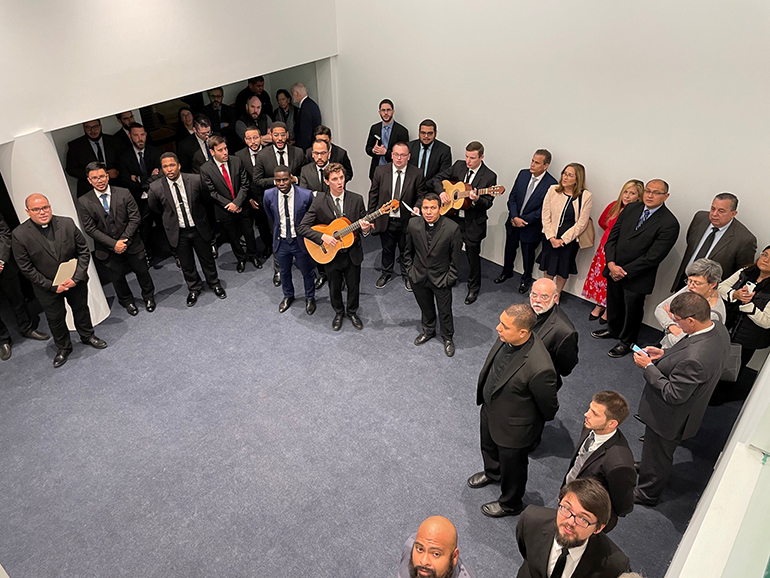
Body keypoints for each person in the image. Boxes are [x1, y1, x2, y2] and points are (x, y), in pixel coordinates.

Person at [632, 292, 730, 506]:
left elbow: (673, 393)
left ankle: (647, 493)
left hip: (670, 417)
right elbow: (686, 351)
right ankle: (648, 465)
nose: (675, 325)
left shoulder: (696, 359)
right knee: (654, 451)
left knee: (659, 453)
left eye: (677, 321)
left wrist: (648, 367)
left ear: (691, 321)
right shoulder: (716, 328)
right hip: (689, 409)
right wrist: (664, 353)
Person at [468, 304, 558, 517]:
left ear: (523, 332)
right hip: (491, 409)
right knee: (488, 446)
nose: (498, 328)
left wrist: (531, 427)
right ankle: (493, 472)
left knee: (514, 467)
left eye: (504, 326)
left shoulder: (540, 367)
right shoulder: (506, 337)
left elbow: (548, 405)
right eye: (500, 322)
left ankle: (511, 503)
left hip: (514, 426)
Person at [11, 194, 108, 368]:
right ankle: (63, 348)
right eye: (36, 209)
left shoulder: (67, 223)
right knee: (55, 318)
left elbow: (84, 252)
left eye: (45, 207)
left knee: (81, 310)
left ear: (50, 206)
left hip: (74, 282)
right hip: (47, 288)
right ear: (28, 211)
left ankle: (87, 336)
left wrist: (76, 277)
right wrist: (51, 285)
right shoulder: (19, 235)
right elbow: (26, 268)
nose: (42, 212)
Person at [592, 179, 680, 358]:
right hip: (614, 267)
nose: (650, 195)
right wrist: (611, 264)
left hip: (637, 276)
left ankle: (626, 341)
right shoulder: (632, 208)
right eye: (648, 191)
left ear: (666, 196)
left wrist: (622, 271)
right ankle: (613, 330)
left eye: (656, 192)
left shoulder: (669, 223)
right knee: (614, 303)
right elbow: (613, 237)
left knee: (632, 310)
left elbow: (654, 256)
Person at [297, 162, 372, 331]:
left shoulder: (357, 199)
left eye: (342, 178)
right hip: (331, 254)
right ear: (326, 181)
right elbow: (302, 228)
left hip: (352, 252)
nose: (340, 182)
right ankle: (338, 312)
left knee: (354, 285)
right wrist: (323, 236)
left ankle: (352, 311)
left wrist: (365, 229)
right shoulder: (319, 202)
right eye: (335, 179)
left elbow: (363, 226)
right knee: (334, 286)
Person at [148, 153, 227, 307]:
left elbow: (205, 200)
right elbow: (155, 209)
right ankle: (194, 288)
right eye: (165, 166)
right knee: (186, 264)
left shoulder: (195, 180)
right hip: (178, 232)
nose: (169, 169)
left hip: (198, 227)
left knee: (207, 259)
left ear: (178, 166)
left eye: (172, 165)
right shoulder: (156, 187)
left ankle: (214, 283)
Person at [77, 162, 156, 316]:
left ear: (107, 176)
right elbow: (90, 228)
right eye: (95, 178)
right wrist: (114, 244)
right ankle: (127, 301)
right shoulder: (84, 201)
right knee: (117, 277)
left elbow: (135, 218)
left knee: (142, 271)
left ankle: (148, 297)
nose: (99, 180)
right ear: (89, 180)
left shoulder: (124, 192)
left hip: (131, 243)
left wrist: (123, 240)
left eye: (101, 176)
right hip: (107, 249)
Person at [515, 478, 631, 578]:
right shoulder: (531, 521)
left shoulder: (615, 564)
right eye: (566, 508)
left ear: (598, 528)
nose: (570, 522)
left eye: (583, 519)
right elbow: (525, 550)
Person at [433, 141, 498, 304]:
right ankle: (451, 278)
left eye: (473, 158)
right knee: (451, 251)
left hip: (473, 223)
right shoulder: (458, 166)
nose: (468, 161)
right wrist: (441, 193)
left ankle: (473, 288)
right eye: (467, 156)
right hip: (454, 219)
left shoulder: (489, 176)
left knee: (472, 257)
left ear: (481, 157)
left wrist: (476, 200)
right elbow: (438, 179)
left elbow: (488, 202)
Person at [563, 392, 636, 533]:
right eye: (589, 408)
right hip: (570, 495)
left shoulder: (619, 464)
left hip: (586, 518)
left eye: (595, 413)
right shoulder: (591, 426)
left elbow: (623, 505)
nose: (586, 414)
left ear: (612, 423)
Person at [404, 193, 462, 357]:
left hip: (441, 278)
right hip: (418, 276)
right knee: (426, 307)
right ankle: (428, 331)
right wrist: (410, 272)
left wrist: (450, 278)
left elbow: (456, 259)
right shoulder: (413, 224)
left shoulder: (452, 228)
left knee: (444, 311)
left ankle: (448, 338)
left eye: (433, 208)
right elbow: (407, 251)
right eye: (425, 208)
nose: (428, 212)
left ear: (440, 208)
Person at [497, 149, 559, 293]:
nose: (532, 164)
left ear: (546, 165)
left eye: (537, 163)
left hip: (531, 227)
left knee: (528, 256)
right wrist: (514, 217)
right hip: (513, 222)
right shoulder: (523, 174)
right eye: (532, 160)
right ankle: (506, 272)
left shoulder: (552, 184)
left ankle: (526, 280)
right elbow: (512, 197)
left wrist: (523, 220)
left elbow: (544, 209)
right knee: (509, 250)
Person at [582, 180, 643, 323]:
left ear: (638, 197)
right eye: (626, 192)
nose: (627, 196)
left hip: (619, 253)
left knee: (612, 280)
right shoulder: (614, 206)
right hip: (604, 249)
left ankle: (609, 309)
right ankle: (599, 305)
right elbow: (603, 222)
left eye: (632, 193)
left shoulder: (638, 213)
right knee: (600, 280)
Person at [672, 192, 756, 291]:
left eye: (721, 211)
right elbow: (690, 243)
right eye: (713, 209)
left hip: (709, 291)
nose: (714, 214)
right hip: (684, 282)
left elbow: (740, 273)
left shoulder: (745, 239)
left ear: (733, 214)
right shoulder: (700, 218)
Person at [369, 142, 425, 290]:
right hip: (386, 219)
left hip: (406, 220)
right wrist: (371, 217)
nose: (399, 158)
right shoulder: (380, 171)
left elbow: (421, 195)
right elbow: (373, 194)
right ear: (392, 155)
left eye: (403, 155)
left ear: (408, 157)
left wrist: (417, 207)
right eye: (396, 154)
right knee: (387, 248)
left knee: (406, 250)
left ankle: (407, 276)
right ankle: (386, 273)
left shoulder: (417, 173)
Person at [199, 135, 260, 272]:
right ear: (212, 152)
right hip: (224, 210)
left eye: (225, 148)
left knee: (249, 233)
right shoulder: (205, 169)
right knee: (233, 237)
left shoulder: (236, 161)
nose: (225, 152)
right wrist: (230, 205)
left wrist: (237, 203)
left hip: (242, 206)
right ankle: (241, 259)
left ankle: (253, 255)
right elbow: (211, 192)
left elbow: (245, 184)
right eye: (220, 150)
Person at [263, 167, 317, 315]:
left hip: (300, 241)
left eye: (285, 179)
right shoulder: (268, 195)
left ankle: (310, 297)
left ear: (291, 178)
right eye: (278, 180)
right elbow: (271, 216)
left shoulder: (305, 195)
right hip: (281, 242)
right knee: (284, 272)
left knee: (307, 271)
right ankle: (288, 296)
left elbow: (311, 218)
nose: (281, 183)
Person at [536, 163, 593, 296]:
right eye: (564, 173)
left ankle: (557, 294)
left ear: (577, 179)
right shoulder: (553, 189)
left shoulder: (586, 196)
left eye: (570, 175)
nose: (565, 177)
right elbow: (545, 214)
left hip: (569, 240)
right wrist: (551, 237)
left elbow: (581, 223)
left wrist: (563, 240)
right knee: (548, 267)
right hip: (551, 237)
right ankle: (545, 293)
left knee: (563, 268)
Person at [0, 214, 49, 361]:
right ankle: (3, 340)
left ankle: (27, 328)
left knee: (17, 300)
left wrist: (1, 260)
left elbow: (4, 233)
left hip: (4, 266)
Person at [718, 245, 770, 375]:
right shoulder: (746, 271)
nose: (766, 260)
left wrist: (748, 304)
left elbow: (766, 321)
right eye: (765, 254)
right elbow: (721, 287)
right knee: (709, 365)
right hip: (724, 328)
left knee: (728, 374)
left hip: (746, 340)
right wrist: (735, 294)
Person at [118, 123, 163, 264]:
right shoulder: (124, 157)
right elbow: (125, 181)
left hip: (157, 196)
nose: (140, 138)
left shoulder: (155, 152)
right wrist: (149, 178)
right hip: (137, 199)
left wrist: (138, 178)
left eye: (142, 134)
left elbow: (161, 176)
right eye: (136, 135)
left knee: (165, 224)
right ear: (129, 136)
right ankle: (148, 256)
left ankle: (175, 252)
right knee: (144, 229)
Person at [655, 258, 725, 349]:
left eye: (697, 283)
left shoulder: (714, 313)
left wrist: (671, 317)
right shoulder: (692, 289)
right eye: (689, 280)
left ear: (712, 284)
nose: (690, 286)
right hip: (665, 346)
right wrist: (672, 326)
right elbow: (659, 309)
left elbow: (684, 342)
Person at [529, 278, 579, 390]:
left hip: (540, 382)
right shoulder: (526, 306)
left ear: (555, 297)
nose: (537, 300)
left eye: (544, 296)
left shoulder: (565, 332)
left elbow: (566, 367)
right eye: (534, 294)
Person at [233, 125, 271, 263]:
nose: (253, 142)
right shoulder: (239, 156)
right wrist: (248, 198)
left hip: (270, 194)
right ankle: (267, 245)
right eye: (249, 139)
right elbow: (241, 181)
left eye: (255, 138)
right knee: (261, 224)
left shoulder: (269, 152)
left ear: (260, 138)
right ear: (245, 140)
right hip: (253, 198)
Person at [397, 516, 474, 578]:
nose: (423, 562)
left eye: (436, 554)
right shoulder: (410, 546)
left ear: (454, 557)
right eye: (420, 549)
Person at [65, 119, 122, 197]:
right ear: (84, 128)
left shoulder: (114, 141)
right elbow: (71, 169)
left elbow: (124, 161)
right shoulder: (76, 146)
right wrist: (92, 175)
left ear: (100, 126)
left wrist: (118, 171)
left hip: (115, 185)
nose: (92, 130)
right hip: (89, 189)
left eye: (95, 127)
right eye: (88, 128)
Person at [365, 99, 409, 179]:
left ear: (393, 111)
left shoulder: (402, 131)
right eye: (383, 110)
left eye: (388, 110)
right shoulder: (374, 128)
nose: (386, 113)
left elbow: (403, 154)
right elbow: (367, 148)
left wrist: (386, 153)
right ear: (379, 112)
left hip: (394, 171)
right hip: (376, 170)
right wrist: (373, 150)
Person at [407, 119, 452, 193]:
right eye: (423, 133)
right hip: (410, 189)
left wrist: (425, 186)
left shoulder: (444, 150)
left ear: (435, 133)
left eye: (430, 133)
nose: (426, 136)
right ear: (419, 132)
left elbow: (443, 175)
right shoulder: (409, 147)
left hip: (432, 191)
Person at [290, 82, 322, 152]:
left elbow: (305, 133)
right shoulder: (312, 104)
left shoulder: (305, 108)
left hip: (308, 148)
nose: (292, 97)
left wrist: (303, 150)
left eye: (292, 94)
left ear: (297, 93)